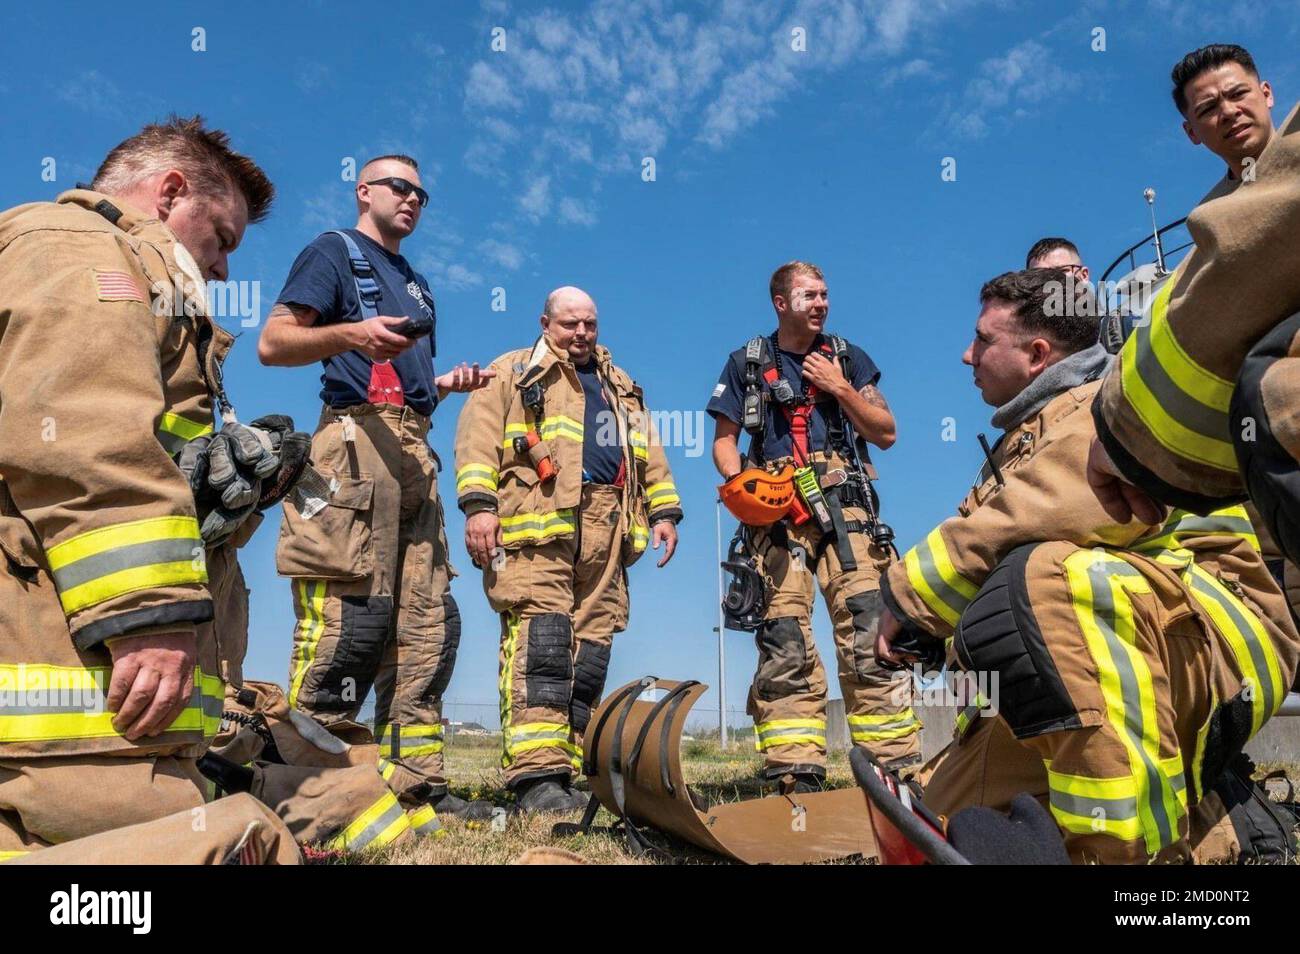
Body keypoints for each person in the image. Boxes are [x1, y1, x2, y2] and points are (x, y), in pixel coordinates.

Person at [877, 267, 1300, 863]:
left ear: (1036, 353)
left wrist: (908, 598)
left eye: (983, 340)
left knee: (1046, 582)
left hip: (1222, 629)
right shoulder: (1027, 432)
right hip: (1140, 639)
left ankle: (1125, 859)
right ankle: (1217, 821)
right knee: (948, 816)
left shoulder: (1105, 402)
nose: (966, 354)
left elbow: (1068, 501)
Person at [0, 115, 298, 862]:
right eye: (223, 238)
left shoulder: (130, 278)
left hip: (100, 693)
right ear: (169, 193)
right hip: (68, 719)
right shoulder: (83, 252)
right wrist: (147, 613)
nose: (226, 268)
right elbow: (82, 433)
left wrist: (235, 494)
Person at [258, 154, 492, 820]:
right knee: (351, 624)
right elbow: (273, 344)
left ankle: (415, 787)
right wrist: (353, 333)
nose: (413, 198)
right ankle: (304, 791)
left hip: (414, 451)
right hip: (350, 450)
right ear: (364, 191)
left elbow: (406, 389)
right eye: (400, 187)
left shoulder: (419, 287)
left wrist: (441, 387)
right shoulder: (333, 252)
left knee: (428, 626)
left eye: (422, 192)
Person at [454, 286, 683, 812]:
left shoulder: (620, 386)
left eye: (590, 325)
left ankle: (567, 771)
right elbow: (476, 440)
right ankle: (536, 779)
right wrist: (478, 506)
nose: (581, 333)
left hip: (609, 530)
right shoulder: (512, 372)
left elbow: (649, 455)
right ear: (545, 322)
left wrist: (665, 512)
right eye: (569, 324)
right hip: (536, 528)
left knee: (593, 651)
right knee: (545, 646)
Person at [707, 261, 912, 790]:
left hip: (848, 514)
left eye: (825, 294)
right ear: (781, 302)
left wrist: (840, 388)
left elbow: (886, 433)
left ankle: (893, 770)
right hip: (777, 514)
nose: (821, 303)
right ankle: (794, 770)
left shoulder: (847, 358)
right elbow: (725, 443)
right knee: (783, 634)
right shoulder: (746, 364)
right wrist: (740, 483)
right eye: (808, 296)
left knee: (872, 627)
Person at [1087, 45, 1300, 555]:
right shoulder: (1206, 226)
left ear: (1266, 93)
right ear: (1191, 132)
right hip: (1266, 483)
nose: (1228, 111)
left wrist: (1121, 436)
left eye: (1238, 94)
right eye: (1207, 109)